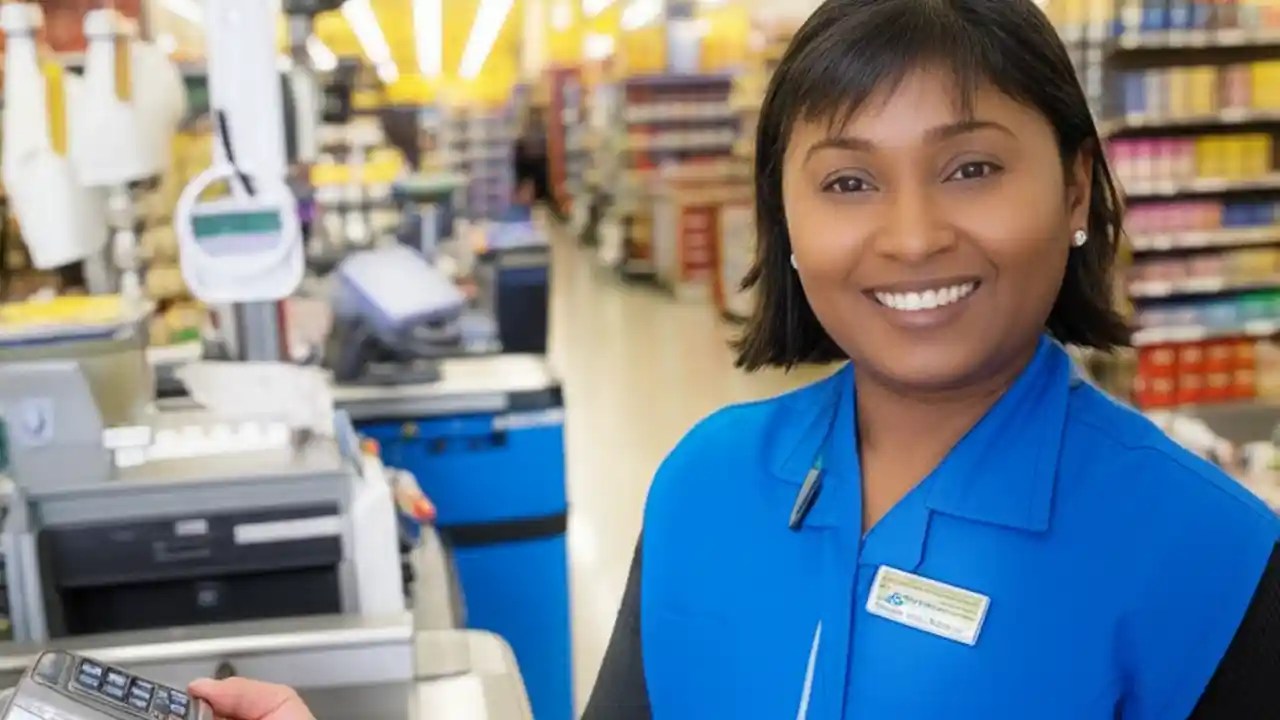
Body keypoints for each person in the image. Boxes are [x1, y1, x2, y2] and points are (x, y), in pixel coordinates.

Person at [191, 0, 1280, 717]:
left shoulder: (1213, 557)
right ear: (787, 222)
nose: (909, 236)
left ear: (1077, 188)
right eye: (847, 182)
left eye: (970, 168)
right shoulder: (706, 481)